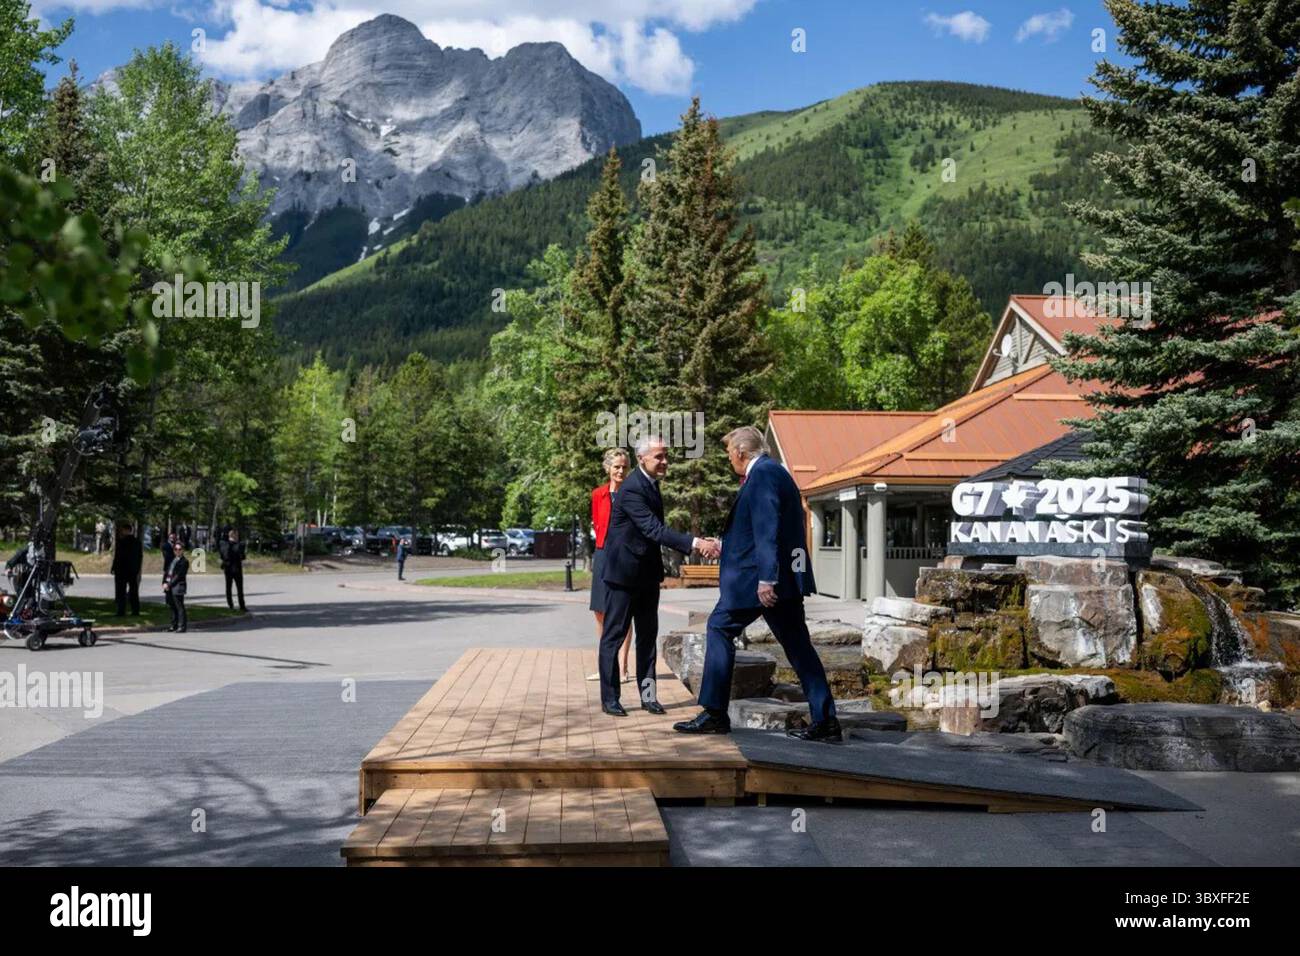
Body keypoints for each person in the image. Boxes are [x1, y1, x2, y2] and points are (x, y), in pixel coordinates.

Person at [674, 426, 840, 741]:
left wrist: (767, 578)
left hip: (760, 582)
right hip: (782, 579)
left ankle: (714, 713)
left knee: (719, 627)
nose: (728, 460)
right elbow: (764, 530)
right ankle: (826, 720)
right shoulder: (777, 472)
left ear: (739, 452)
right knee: (799, 648)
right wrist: (728, 546)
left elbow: (768, 528)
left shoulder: (762, 474)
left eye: (728, 454)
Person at [597, 435, 718, 717]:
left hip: (647, 577)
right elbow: (654, 530)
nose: (665, 461)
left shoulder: (651, 484)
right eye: (659, 457)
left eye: (666, 456)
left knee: (648, 638)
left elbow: (652, 534)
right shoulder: (632, 489)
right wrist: (696, 543)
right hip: (623, 576)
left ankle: (648, 697)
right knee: (613, 638)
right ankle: (610, 698)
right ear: (642, 459)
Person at [586, 448, 635, 684]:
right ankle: (606, 666)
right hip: (604, 553)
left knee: (624, 613)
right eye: (616, 466)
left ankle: (623, 668)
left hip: (625, 556)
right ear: (608, 468)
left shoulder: (634, 493)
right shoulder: (598, 494)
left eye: (624, 466)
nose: (621, 471)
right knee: (600, 610)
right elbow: (598, 524)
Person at [111, 523, 143, 616]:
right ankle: (135, 610)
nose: (122, 532)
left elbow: (118, 556)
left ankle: (121, 611)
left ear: (127, 530)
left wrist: (114, 567)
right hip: (131, 570)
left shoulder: (122, 541)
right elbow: (139, 557)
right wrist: (137, 568)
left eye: (123, 530)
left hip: (122, 569)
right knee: (133, 591)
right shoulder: (136, 542)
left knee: (121, 591)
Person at [163, 541, 189, 633]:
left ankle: (182, 626)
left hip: (177, 586)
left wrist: (169, 584)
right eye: (175, 549)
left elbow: (178, 576)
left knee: (179, 607)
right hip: (169, 585)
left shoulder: (184, 562)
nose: (177, 551)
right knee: (172, 607)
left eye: (179, 549)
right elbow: (167, 572)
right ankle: (173, 625)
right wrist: (164, 582)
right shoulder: (173, 560)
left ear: (183, 550)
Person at [221, 528, 247, 612]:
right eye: (237, 535)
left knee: (228, 587)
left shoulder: (223, 544)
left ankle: (230, 605)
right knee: (239, 588)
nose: (238, 537)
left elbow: (222, 556)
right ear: (234, 535)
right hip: (236, 568)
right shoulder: (239, 545)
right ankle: (242, 605)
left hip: (228, 568)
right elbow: (242, 557)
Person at [161, 531, 179, 619]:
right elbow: (166, 556)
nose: (173, 539)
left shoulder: (177, 546)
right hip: (168, 568)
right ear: (169, 537)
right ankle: (167, 600)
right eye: (171, 537)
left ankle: (173, 600)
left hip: (175, 568)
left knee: (173, 583)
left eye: (174, 537)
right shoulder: (165, 546)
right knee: (166, 583)